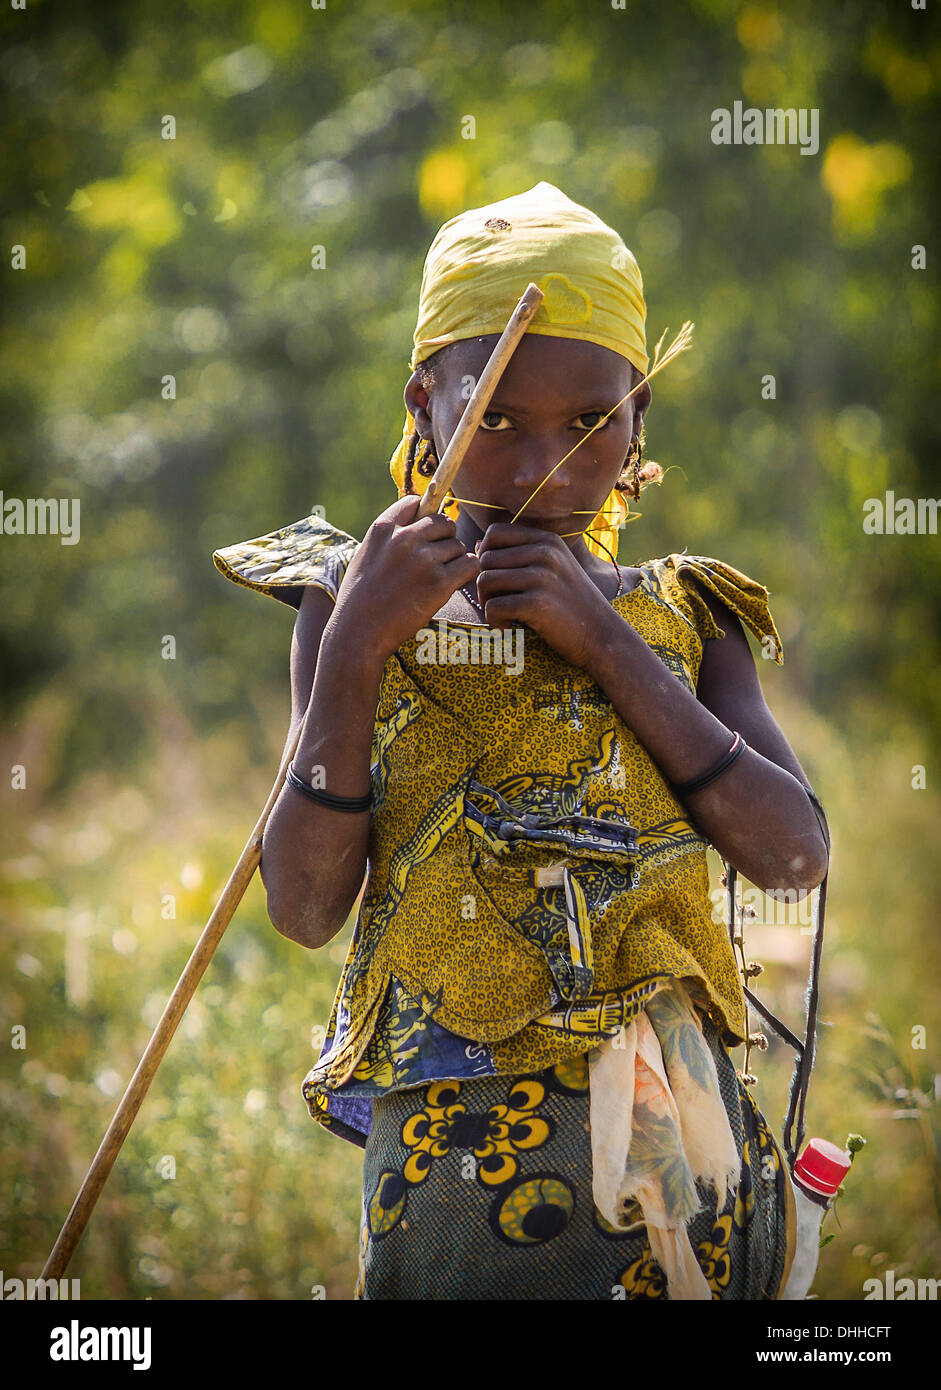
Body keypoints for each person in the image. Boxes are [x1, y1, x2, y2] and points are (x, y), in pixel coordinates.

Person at [211, 182, 829, 1300]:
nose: (538, 463)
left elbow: (792, 855)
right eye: (491, 416)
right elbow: (303, 909)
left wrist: (602, 641)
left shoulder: (682, 616)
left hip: (680, 1156)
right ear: (424, 404)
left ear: (638, 414)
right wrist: (355, 649)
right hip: (453, 1165)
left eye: (588, 422)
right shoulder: (348, 599)